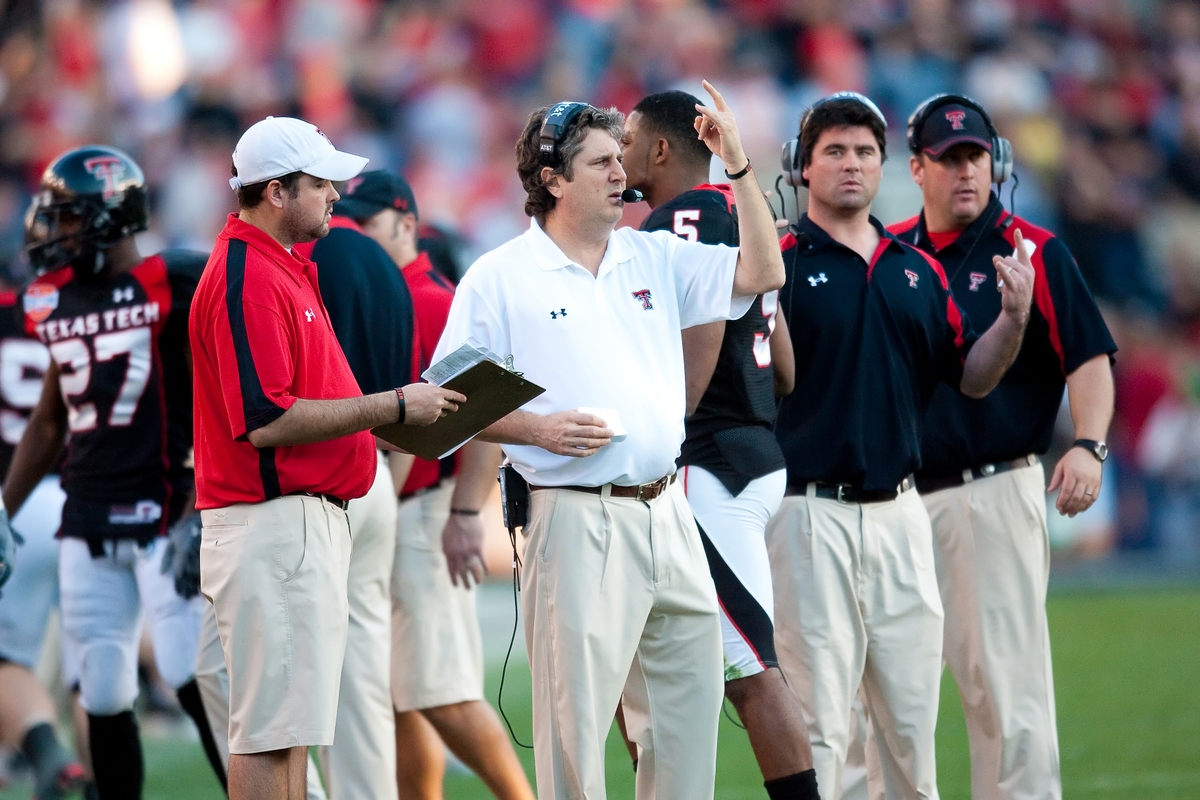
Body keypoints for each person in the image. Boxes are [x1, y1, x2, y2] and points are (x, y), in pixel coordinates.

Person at [431, 81, 785, 800]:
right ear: (552, 179)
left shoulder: (651, 254)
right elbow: (444, 403)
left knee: (686, 726)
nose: (621, 172)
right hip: (573, 518)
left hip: (668, 511)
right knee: (576, 732)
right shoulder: (499, 278)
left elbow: (763, 271)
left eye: (619, 158)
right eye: (600, 162)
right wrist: (537, 428)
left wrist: (738, 164)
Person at [764, 93, 1034, 799]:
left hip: (903, 514)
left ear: (884, 165)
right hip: (807, 512)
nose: (851, 164)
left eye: (864, 151)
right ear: (801, 166)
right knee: (820, 725)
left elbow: (971, 377)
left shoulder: (917, 269)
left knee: (911, 727)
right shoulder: (776, 265)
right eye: (834, 151)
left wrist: (1012, 319)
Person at [189, 116, 462, 800]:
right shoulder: (250, 274)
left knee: (290, 733)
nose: (336, 195)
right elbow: (268, 420)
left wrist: (398, 420)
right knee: (271, 735)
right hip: (276, 523)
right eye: (321, 183)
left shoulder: (278, 265)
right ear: (276, 192)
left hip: (297, 524)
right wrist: (393, 406)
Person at [887, 94, 1116, 800]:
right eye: (948, 158)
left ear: (998, 164)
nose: (966, 171)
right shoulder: (890, 253)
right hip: (895, 502)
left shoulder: (1033, 249)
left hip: (992, 487)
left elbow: (1089, 357)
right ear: (917, 168)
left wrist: (1089, 444)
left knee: (1006, 693)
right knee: (888, 696)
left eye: (976, 157)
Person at [2, 145, 223, 799]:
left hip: (164, 508)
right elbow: (50, 421)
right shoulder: (58, 297)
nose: (55, 231)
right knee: (101, 690)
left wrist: (205, 501)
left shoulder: (177, 279)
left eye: (69, 217)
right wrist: (4, 509)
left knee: (191, 674)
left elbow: (225, 395)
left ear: (111, 216)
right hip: (86, 516)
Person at [620, 90, 818, 800]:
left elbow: (701, 334)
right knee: (663, 666)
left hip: (708, 467)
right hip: (751, 452)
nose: (618, 153)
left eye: (628, 139)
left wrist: (665, 436)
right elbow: (784, 369)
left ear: (661, 149)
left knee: (749, 669)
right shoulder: (739, 213)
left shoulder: (685, 218)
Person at [338, 171, 533, 800]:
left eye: (364, 223)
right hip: (393, 506)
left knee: (442, 691)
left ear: (404, 224)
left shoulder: (432, 298)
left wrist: (466, 513)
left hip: (427, 506)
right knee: (403, 694)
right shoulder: (383, 292)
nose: (350, 235)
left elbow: (488, 412)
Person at [0, 280, 82, 800]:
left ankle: (47, 751)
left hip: (15, 497)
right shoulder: (75, 311)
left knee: (5, 659)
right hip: (81, 498)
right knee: (94, 672)